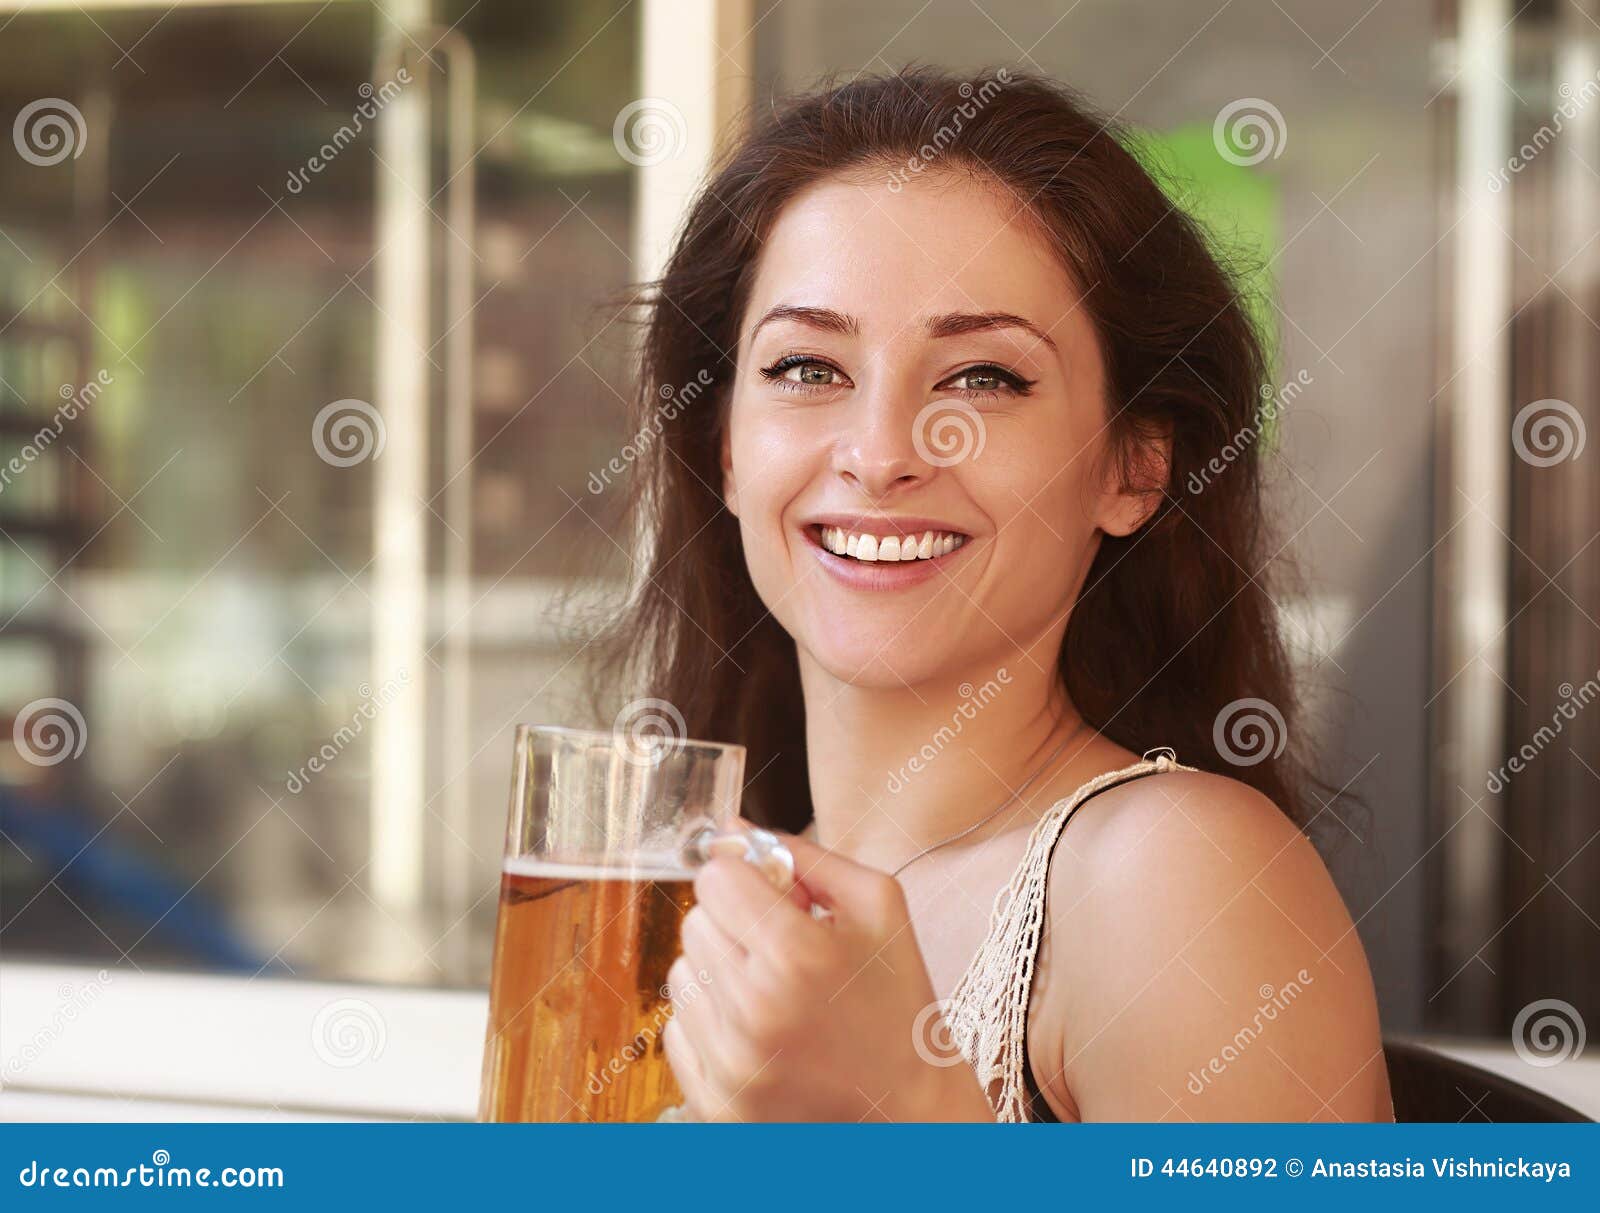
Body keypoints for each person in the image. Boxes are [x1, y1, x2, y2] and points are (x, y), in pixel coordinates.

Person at [597, 66, 1393, 1122]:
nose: (881, 455)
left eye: (983, 378)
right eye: (805, 368)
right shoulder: (701, 909)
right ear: (725, 447)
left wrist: (901, 1105)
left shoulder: (1172, 878)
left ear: (1134, 466)